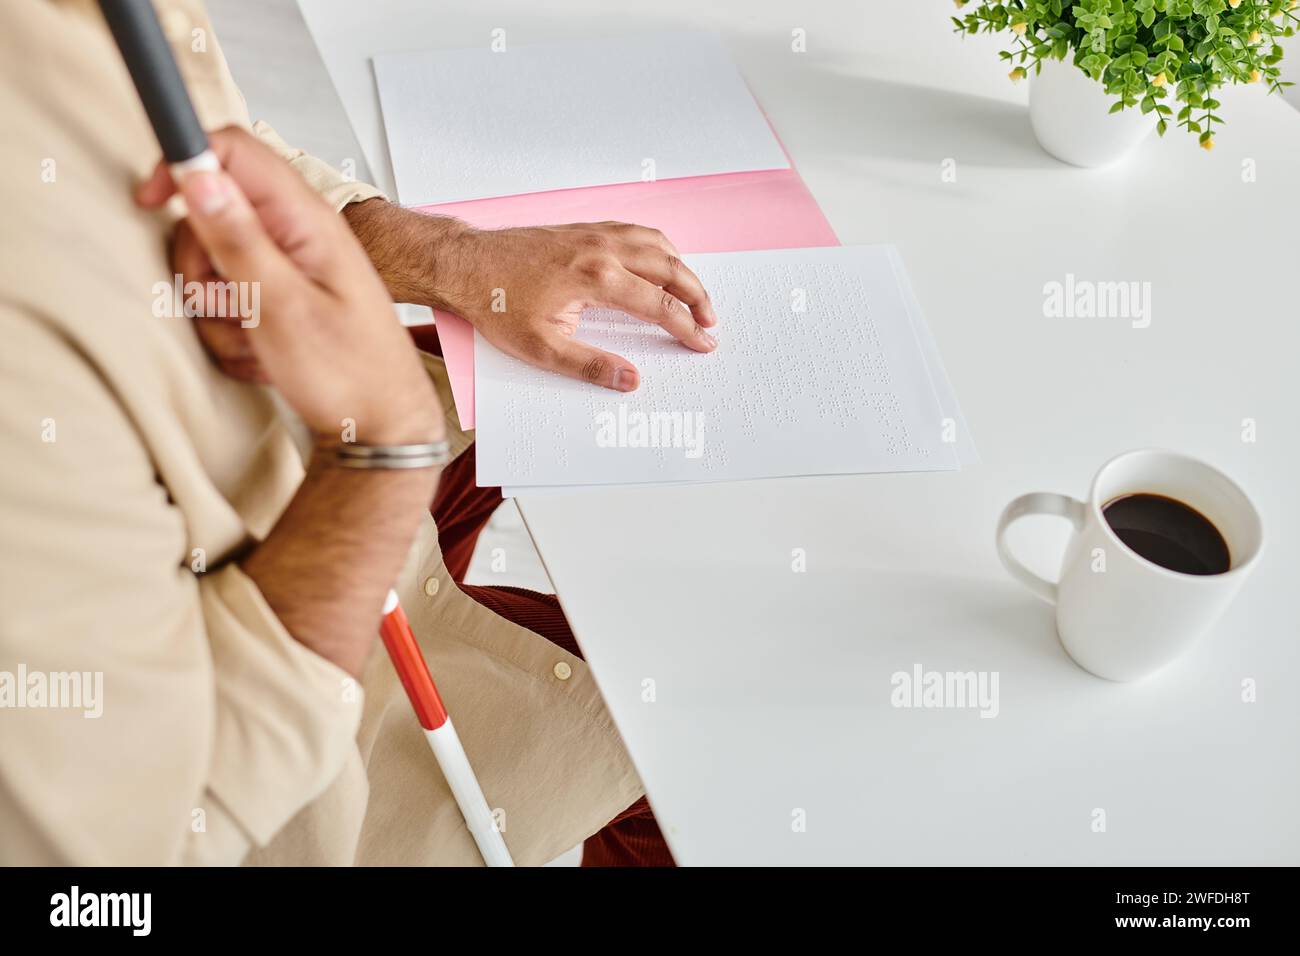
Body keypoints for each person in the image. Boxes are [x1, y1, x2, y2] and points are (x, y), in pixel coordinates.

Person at [0, 0, 717, 866]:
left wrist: (452, 259)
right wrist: (383, 451)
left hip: (296, 440)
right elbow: (135, 854)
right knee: (703, 746)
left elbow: (203, 136)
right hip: (313, 714)